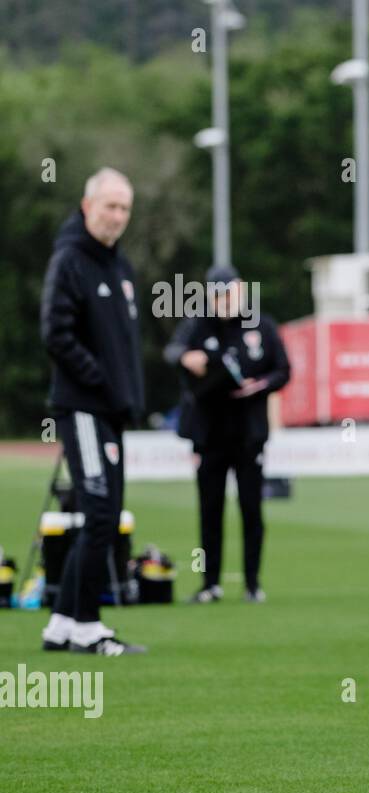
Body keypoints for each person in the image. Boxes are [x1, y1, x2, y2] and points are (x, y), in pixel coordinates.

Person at [39, 167, 147, 656]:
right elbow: (55, 334)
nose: (117, 216)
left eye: (125, 208)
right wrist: (101, 382)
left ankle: (61, 623)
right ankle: (88, 626)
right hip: (82, 407)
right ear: (88, 206)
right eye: (110, 206)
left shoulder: (119, 268)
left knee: (103, 513)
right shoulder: (70, 260)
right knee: (100, 512)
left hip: (111, 412)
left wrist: (128, 396)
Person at [165, 265, 291, 604]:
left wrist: (258, 386)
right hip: (209, 434)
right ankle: (210, 583)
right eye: (217, 293)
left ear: (241, 291)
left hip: (249, 433)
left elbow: (283, 370)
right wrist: (186, 357)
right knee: (210, 510)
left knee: (251, 508)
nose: (223, 299)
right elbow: (173, 351)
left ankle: (252, 582)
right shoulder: (197, 324)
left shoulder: (261, 325)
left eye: (229, 292)